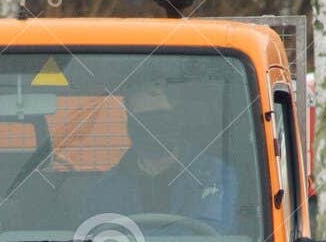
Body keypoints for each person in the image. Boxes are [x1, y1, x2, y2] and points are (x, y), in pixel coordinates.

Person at [90, 79, 236, 224]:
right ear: (131, 125)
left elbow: (217, 233)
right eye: (142, 119)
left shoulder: (213, 175)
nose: (151, 126)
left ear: (177, 120)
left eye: (160, 116)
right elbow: (99, 238)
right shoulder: (107, 187)